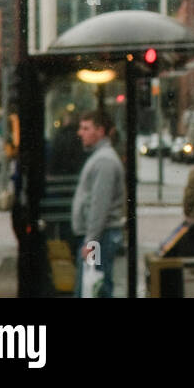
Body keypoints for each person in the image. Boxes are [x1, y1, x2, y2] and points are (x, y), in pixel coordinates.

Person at [71, 109, 124, 298]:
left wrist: (91, 242)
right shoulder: (101, 158)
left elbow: (99, 205)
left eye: (86, 128)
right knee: (93, 288)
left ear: (100, 131)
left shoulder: (104, 161)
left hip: (100, 239)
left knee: (93, 290)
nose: (80, 133)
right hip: (99, 237)